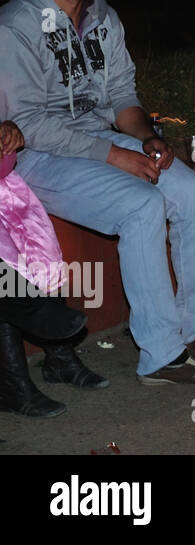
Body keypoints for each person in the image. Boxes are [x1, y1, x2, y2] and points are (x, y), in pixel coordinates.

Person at [0, 0, 195, 383]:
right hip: (40, 157)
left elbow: (122, 100)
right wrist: (116, 157)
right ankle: (160, 354)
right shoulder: (15, 26)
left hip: (99, 138)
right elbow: (28, 123)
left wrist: (147, 138)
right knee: (140, 206)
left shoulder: (103, 16)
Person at [0, 111, 109, 418]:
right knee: (7, 267)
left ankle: (58, 358)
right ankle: (13, 385)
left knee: (39, 249)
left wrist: (9, 132)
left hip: (8, 195)